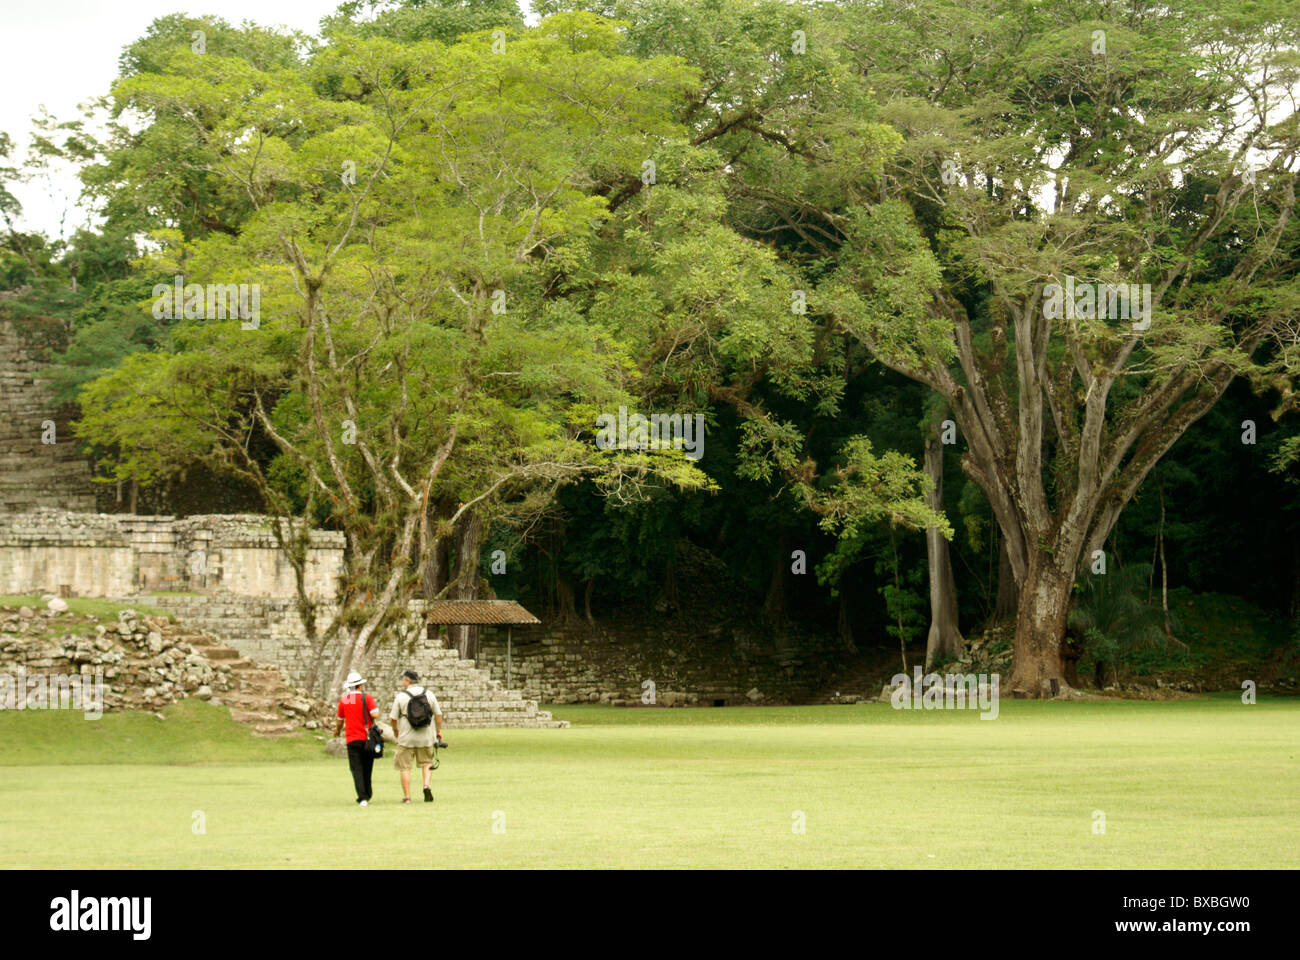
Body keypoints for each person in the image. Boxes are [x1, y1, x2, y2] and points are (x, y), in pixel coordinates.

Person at [389, 669, 445, 804]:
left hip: (406, 738)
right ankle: (426, 785)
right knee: (427, 763)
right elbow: (438, 715)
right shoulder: (429, 694)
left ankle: (407, 797)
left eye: (403, 680)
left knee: (405, 767)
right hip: (425, 737)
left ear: (407, 680)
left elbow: (392, 718)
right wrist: (437, 731)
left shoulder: (401, 696)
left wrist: (395, 730)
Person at [334, 672, 379, 806]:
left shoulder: (345, 700)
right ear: (359, 685)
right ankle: (368, 793)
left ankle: (362, 796)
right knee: (367, 767)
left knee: (356, 769)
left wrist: (337, 730)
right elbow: (375, 714)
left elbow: (340, 720)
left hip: (352, 738)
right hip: (366, 738)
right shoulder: (367, 698)